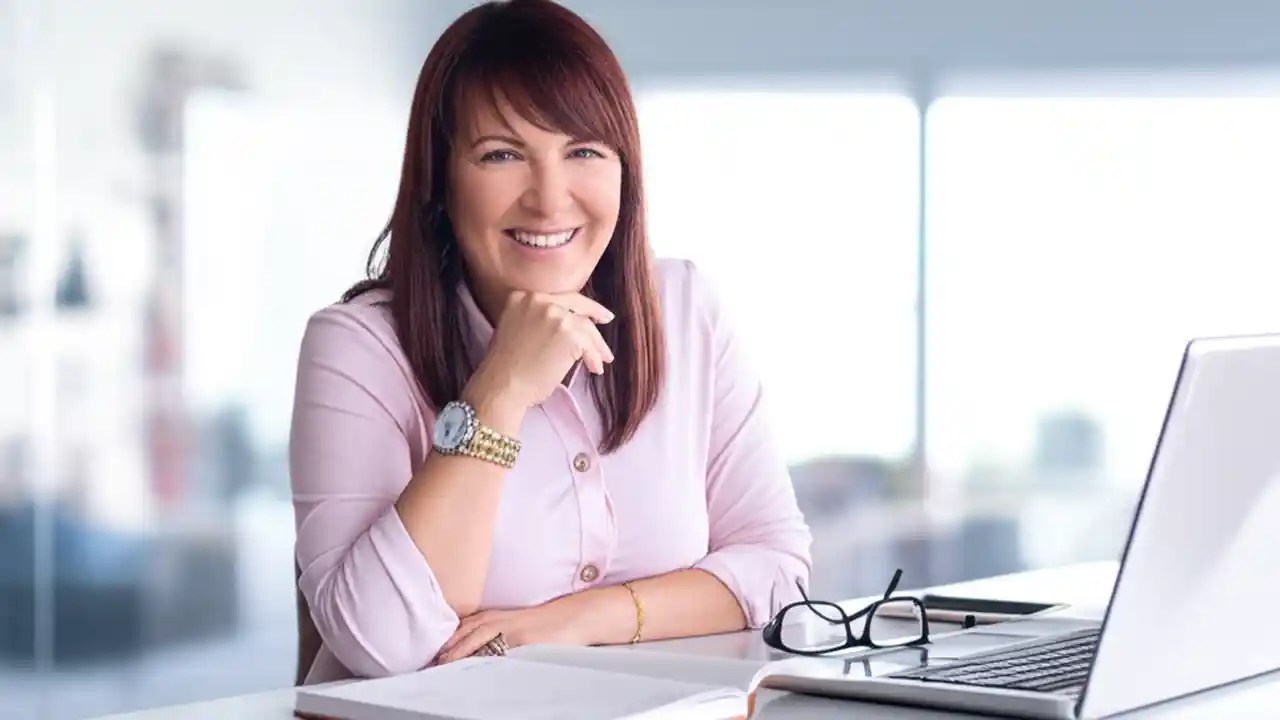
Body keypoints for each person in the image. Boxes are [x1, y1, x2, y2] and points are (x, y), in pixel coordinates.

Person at [289, 0, 812, 684]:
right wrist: (500, 390)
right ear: (440, 181)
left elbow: (778, 571)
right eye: (502, 154)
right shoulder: (357, 348)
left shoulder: (684, 308)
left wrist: (579, 619)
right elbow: (379, 644)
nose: (550, 198)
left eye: (583, 151)